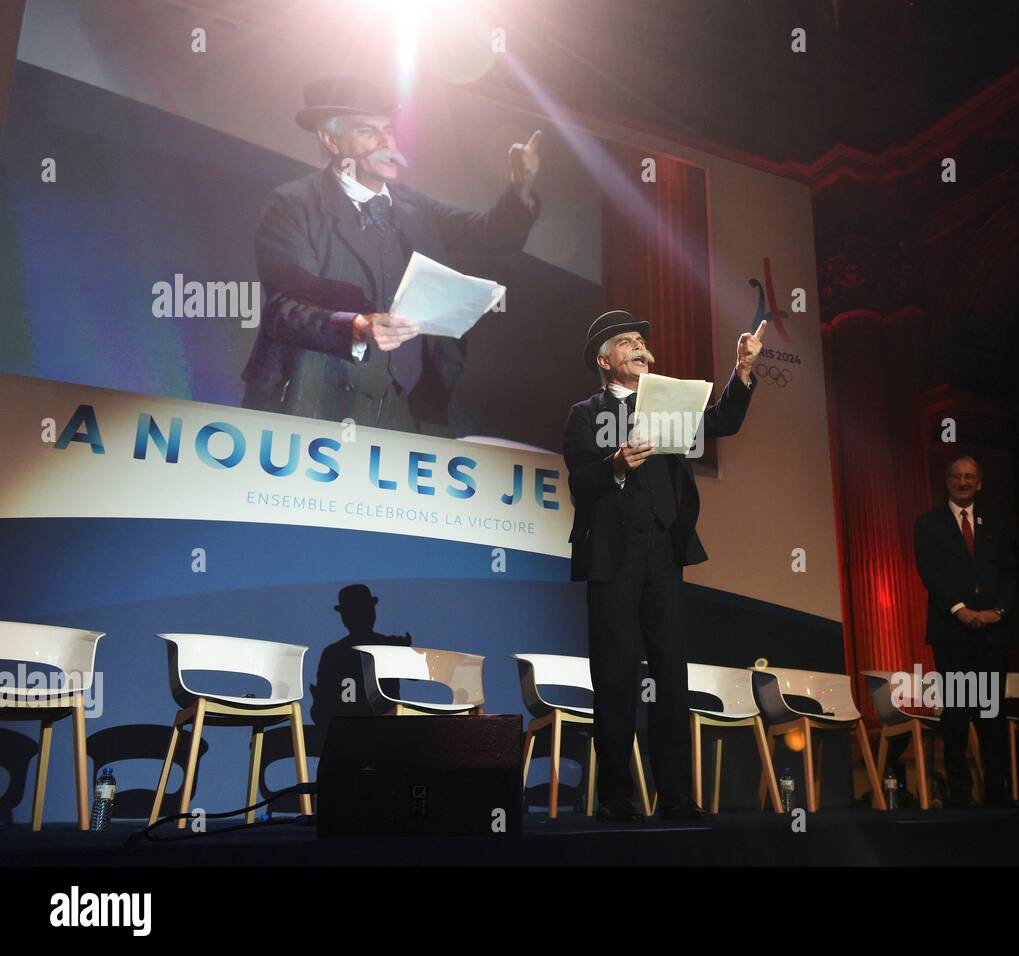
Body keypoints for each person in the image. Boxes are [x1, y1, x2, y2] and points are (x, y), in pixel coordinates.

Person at [241, 73, 541, 434]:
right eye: (369, 131)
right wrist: (355, 327)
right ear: (331, 140)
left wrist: (521, 187)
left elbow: (492, 236)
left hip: (403, 412)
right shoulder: (293, 204)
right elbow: (284, 312)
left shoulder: (414, 207)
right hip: (311, 402)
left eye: (388, 130)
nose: (387, 141)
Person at [562, 310, 763, 821]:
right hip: (612, 558)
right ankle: (615, 797)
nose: (639, 347)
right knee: (615, 677)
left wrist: (741, 372)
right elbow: (580, 481)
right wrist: (614, 464)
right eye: (626, 342)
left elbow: (721, 421)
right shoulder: (584, 413)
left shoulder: (667, 405)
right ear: (605, 360)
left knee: (671, 677)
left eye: (640, 341)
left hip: (662, 556)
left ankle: (675, 795)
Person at [913, 455, 1017, 807]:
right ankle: (960, 797)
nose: (963, 482)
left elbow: (1008, 573)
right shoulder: (928, 524)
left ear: (980, 483)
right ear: (946, 482)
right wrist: (961, 611)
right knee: (956, 716)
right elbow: (931, 573)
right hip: (952, 634)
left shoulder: (996, 525)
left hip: (990, 633)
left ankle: (997, 793)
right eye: (956, 476)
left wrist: (997, 612)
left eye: (970, 476)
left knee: (991, 715)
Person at [310, 584, 411, 728]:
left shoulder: (332, 652)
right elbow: (321, 709)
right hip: (369, 731)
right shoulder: (389, 645)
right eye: (357, 610)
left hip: (377, 729)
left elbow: (320, 710)